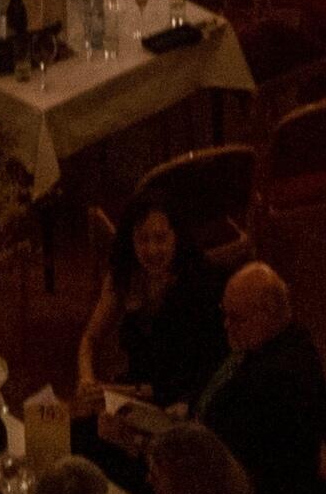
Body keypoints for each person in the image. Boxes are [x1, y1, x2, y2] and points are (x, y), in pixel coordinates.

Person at [74, 189, 228, 473]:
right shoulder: (125, 275)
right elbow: (90, 339)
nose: (152, 250)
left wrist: (108, 391)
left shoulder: (197, 282)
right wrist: (87, 381)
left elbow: (182, 379)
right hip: (133, 397)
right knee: (77, 438)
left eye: (160, 238)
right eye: (143, 239)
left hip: (178, 404)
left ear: (176, 237)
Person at [195, 267, 326, 494]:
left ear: (268, 314)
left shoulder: (274, 377)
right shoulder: (282, 342)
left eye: (236, 317)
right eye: (224, 314)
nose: (227, 325)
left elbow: (224, 452)